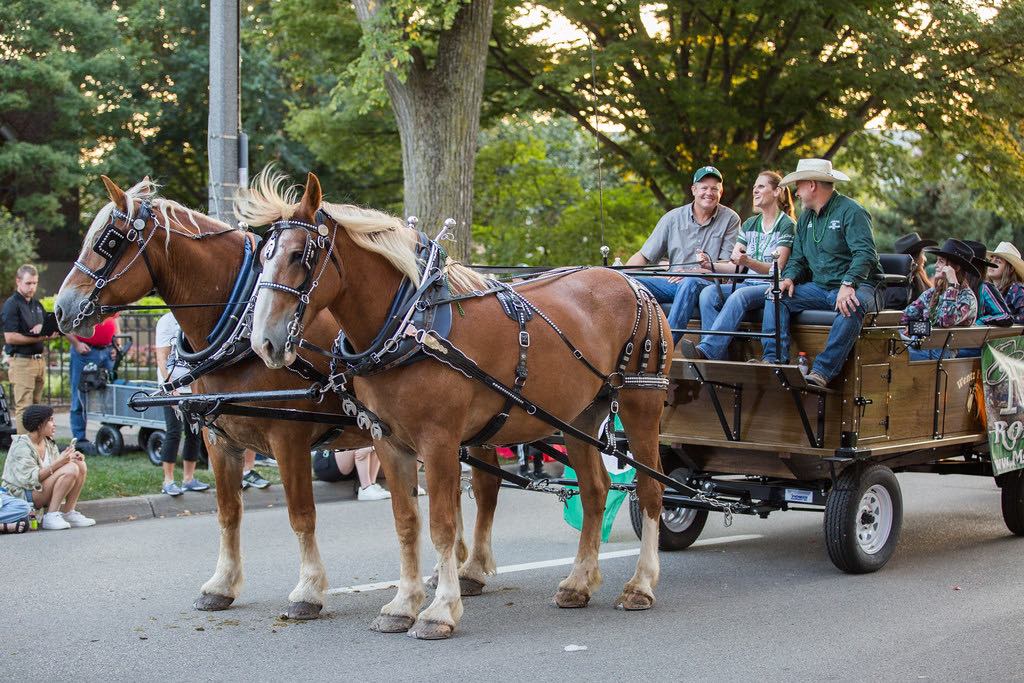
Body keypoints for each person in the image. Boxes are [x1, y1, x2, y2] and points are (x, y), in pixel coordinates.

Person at [756, 159, 884, 387]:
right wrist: (789, 278)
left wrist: (849, 283)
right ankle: (774, 361)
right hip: (821, 287)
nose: (795, 192)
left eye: (799, 185)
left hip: (862, 286)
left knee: (851, 303)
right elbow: (798, 259)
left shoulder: (852, 211)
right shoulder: (805, 218)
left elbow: (866, 255)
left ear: (812, 185)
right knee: (775, 295)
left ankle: (822, 372)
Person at [685, 171, 797, 361]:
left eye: (761, 186)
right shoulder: (750, 224)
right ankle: (717, 358)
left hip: (769, 287)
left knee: (738, 295)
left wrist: (748, 262)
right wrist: (709, 264)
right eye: (754, 187)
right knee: (709, 293)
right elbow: (735, 266)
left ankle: (709, 351)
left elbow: (776, 270)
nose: (755, 191)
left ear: (777, 191)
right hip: (747, 284)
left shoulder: (787, 224)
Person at [627, 166, 741, 343]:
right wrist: (620, 276)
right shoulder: (672, 218)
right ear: (694, 190)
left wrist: (693, 273)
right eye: (704, 187)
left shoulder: (730, 219)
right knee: (630, 284)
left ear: (721, 192)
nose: (709, 193)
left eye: (714, 189)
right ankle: (624, 343)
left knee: (690, 282)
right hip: (672, 284)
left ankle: (665, 345)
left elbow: (726, 269)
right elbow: (644, 255)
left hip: (709, 285)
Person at [0, 404, 95, 529]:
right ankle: (51, 515)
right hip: (23, 494)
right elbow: (31, 479)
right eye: (50, 420)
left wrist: (69, 458)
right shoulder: (21, 446)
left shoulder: (48, 442)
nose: (54, 424)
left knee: (79, 465)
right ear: (39, 425)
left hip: (40, 489)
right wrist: (60, 462)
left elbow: (56, 469)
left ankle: (68, 512)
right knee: (71, 469)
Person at [154, 312, 209, 496]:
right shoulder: (166, 322)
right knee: (173, 432)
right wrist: (170, 387)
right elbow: (161, 357)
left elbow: (196, 361)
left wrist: (196, 390)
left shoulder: (192, 320)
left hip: (190, 386)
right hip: (171, 387)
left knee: (194, 431)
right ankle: (168, 481)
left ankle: (188, 479)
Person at [2, 265, 59, 434]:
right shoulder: (12, 305)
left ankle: (36, 445)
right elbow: (10, 337)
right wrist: (40, 336)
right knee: (24, 407)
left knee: (36, 407)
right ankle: (24, 448)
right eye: (28, 283)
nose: (32, 287)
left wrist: (44, 328)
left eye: (35, 283)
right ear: (18, 281)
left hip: (38, 360)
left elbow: (42, 329)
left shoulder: (37, 304)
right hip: (21, 361)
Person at [900, 239, 979, 360]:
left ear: (956, 267)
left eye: (941, 261)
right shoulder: (934, 292)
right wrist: (911, 328)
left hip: (941, 355)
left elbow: (945, 321)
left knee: (893, 355)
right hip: (921, 347)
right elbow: (906, 315)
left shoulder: (967, 298)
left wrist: (953, 284)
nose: (936, 265)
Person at [68, 313, 119, 455]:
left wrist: (116, 343)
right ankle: (79, 439)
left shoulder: (108, 297)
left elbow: (115, 320)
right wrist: (76, 343)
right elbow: (64, 325)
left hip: (107, 350)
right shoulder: (80, 299)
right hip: (85, 351)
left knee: (110, 393)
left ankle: (109, 434)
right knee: (79, 394)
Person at [311, 446, 403, 501]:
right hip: (326, 464)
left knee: (374, 445)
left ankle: (371, 485)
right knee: (360, 443)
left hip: (347, 466)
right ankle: (365, 488)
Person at [987, 241, 1024, 323]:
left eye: (997, 261)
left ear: (1010, 269)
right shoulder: (986, 289)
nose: (991, 263)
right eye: (991, 260)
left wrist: (1004, 321)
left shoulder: (1017, 289)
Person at [894, 232, 937, 299]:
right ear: (914, 258)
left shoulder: (918, 278)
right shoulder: (907, 286)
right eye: (923, 254)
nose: (925, 259)